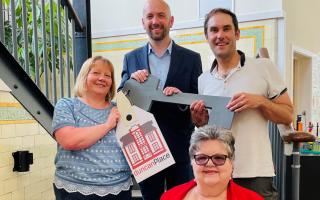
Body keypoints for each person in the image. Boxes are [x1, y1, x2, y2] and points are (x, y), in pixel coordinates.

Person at [190, 8, 293, 200]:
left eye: (226, 29)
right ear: (207, 36)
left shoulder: (264, 67)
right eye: (214, 30)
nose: (220, 35)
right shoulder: (203, 80)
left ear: (237, 33)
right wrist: (199, 122)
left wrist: (260, 101)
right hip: (216, 172)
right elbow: (208, 130)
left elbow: (287, 115)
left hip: (255, 173)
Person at [118, 0, 202, 199]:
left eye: (161, 16)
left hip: (180, 148)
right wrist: (132, 83)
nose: (155, 21)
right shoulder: (131, 58)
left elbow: (197, 100)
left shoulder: (192, 59)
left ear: (171, 21)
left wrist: (180, 97)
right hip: (145, 147)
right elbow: (122, 100)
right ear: (143, 22)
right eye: (150, 17)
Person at [51, 56, 132, 200]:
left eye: (108, 75)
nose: (102, 78)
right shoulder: (67, 105)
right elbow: (69, 140)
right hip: (76, 191)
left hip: (119, 189)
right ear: (84, 76)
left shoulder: (121, 109)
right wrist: (108, 125)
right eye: (96, 73)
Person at [161, 125, 263, 200]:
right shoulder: (169, 197)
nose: (209, 164)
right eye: (201, 158)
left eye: (218, 158)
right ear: (192, 162)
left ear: (231, 163)